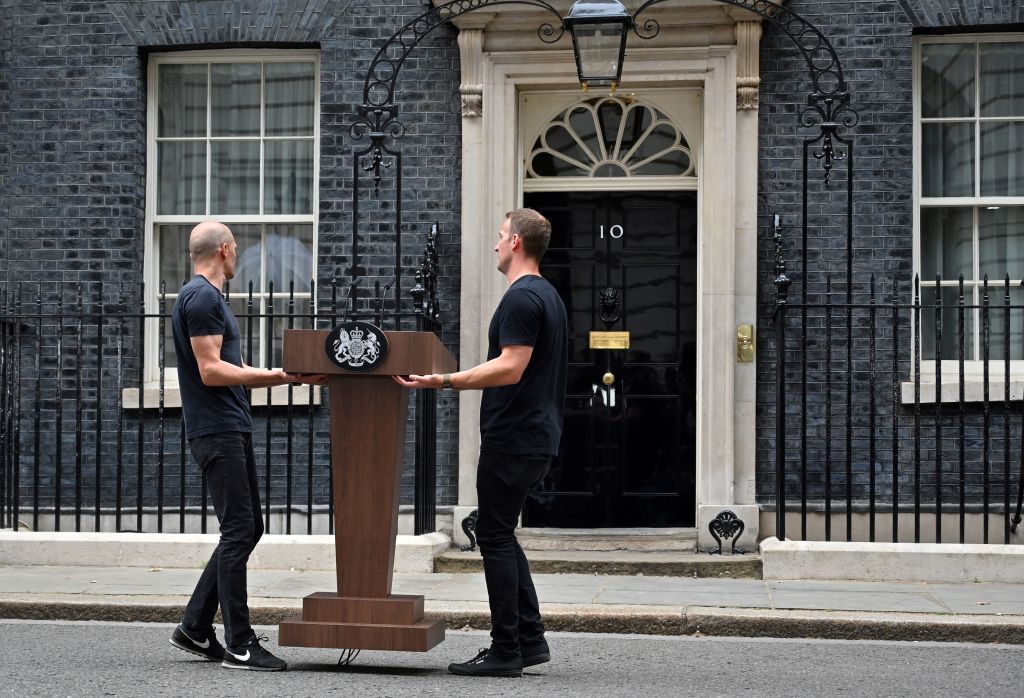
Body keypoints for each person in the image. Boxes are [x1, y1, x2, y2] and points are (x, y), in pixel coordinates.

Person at [395, 208, 568, 678]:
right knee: (501, 532)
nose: (494, 245)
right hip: (534, 435)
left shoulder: (521, 298)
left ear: (516, 243)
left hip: (514, 436)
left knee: (492, 534)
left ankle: (506, 647)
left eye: (499, 236)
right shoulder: (548, 295)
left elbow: (510, 366)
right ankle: (529, 640)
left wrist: (443, 380)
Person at [168, 220, 325, 672]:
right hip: (215, 429)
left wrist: (288, 376)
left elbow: (233, 365)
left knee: (249, 526)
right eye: (236, 249)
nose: (238, 256)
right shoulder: (200, 298)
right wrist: (279, 376)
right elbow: (212, 371)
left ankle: (194, 626)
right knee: (239, 530)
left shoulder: (210, 298)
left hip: (228, 425)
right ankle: (240, 642)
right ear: (223, 250)